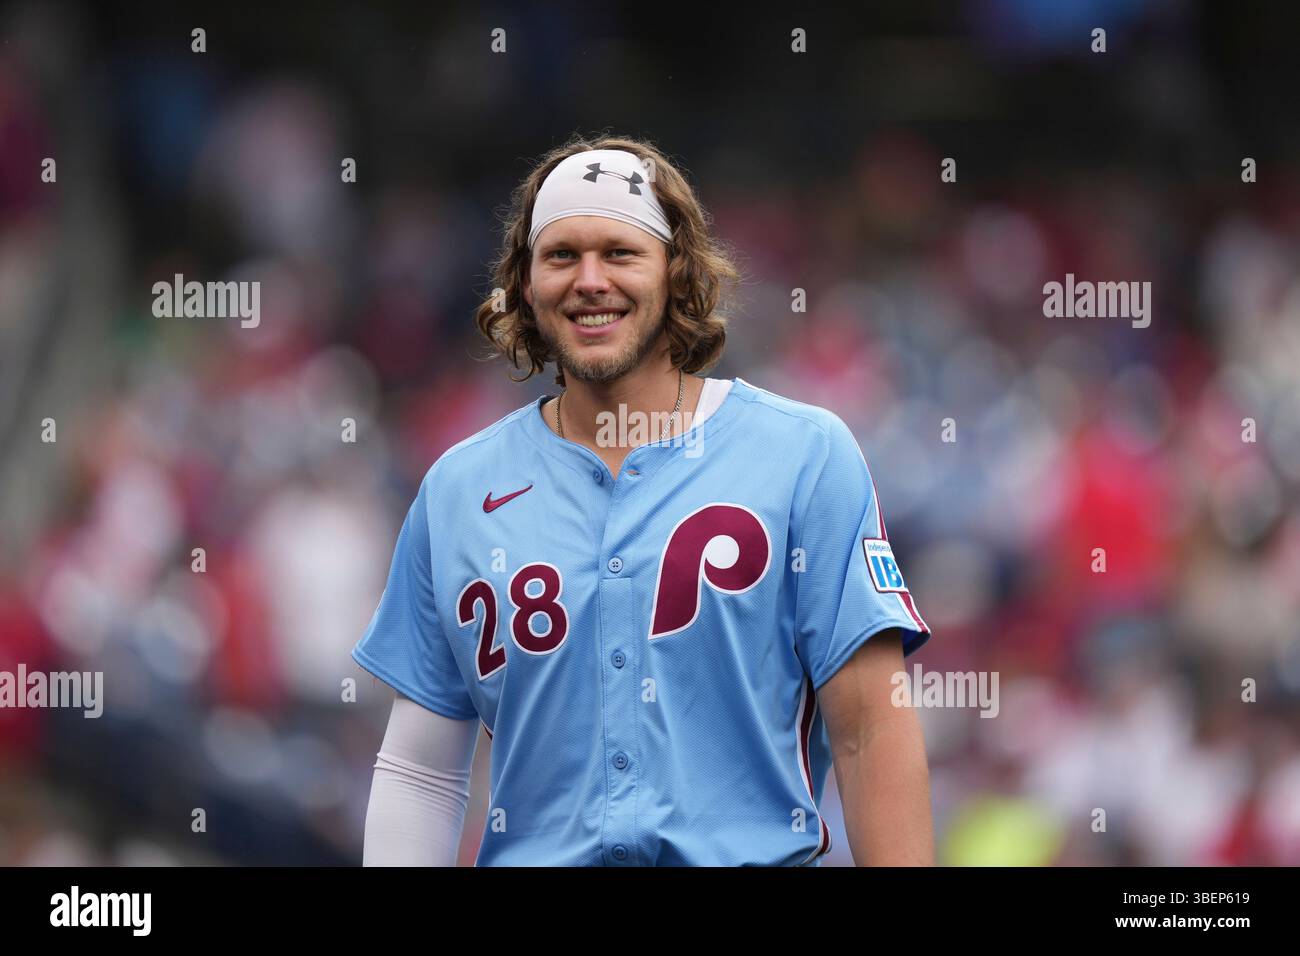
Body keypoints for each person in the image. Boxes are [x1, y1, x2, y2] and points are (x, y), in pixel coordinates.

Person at [353, 134, 934, 866]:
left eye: (621, 253)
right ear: (525, 284)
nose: (590, 280)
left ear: (677, 274)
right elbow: (422, 769)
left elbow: (869, 727)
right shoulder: (457, 489)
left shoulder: (804, 456)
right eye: (561, 256)